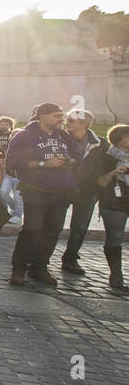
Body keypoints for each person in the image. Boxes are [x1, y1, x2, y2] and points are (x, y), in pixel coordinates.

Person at [6, 101, 79, 286]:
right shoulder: (25, 136)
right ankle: (19, 270)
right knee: (32, 230)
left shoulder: (64, 135)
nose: (62, 119)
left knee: (53, 231)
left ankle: (39, 268)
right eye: (57, 115)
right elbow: (12, 162)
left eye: (62, 115)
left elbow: (77, 157)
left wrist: (68, 161)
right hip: (36, 189)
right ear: (42, 117)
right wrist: (43, 164)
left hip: (61, 191)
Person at [76, 123, 129, 292]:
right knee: (115, 236)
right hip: (113, 200)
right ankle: (116, 276)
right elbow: (100, 182)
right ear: (119, 139)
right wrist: (115, 172)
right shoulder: (106, 157)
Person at [57, 108, 101, 275]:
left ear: (83, 124)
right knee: (54, 224)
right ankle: (39, 258)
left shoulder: (99, 143)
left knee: (80, 226)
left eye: (70, 120)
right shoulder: (58, 138)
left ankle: (71, 258)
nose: (66, 122)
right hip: (61, 187)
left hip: (87, 190)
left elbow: (101, 168)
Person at [0, 116, 22, 222]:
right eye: (2, 124)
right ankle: (14, 209)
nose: (4, 126)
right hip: (4, 168)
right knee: (2, 192)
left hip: (17, 174)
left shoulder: (15, 138)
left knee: (18, 196)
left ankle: (18, 214)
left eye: (6, 125)